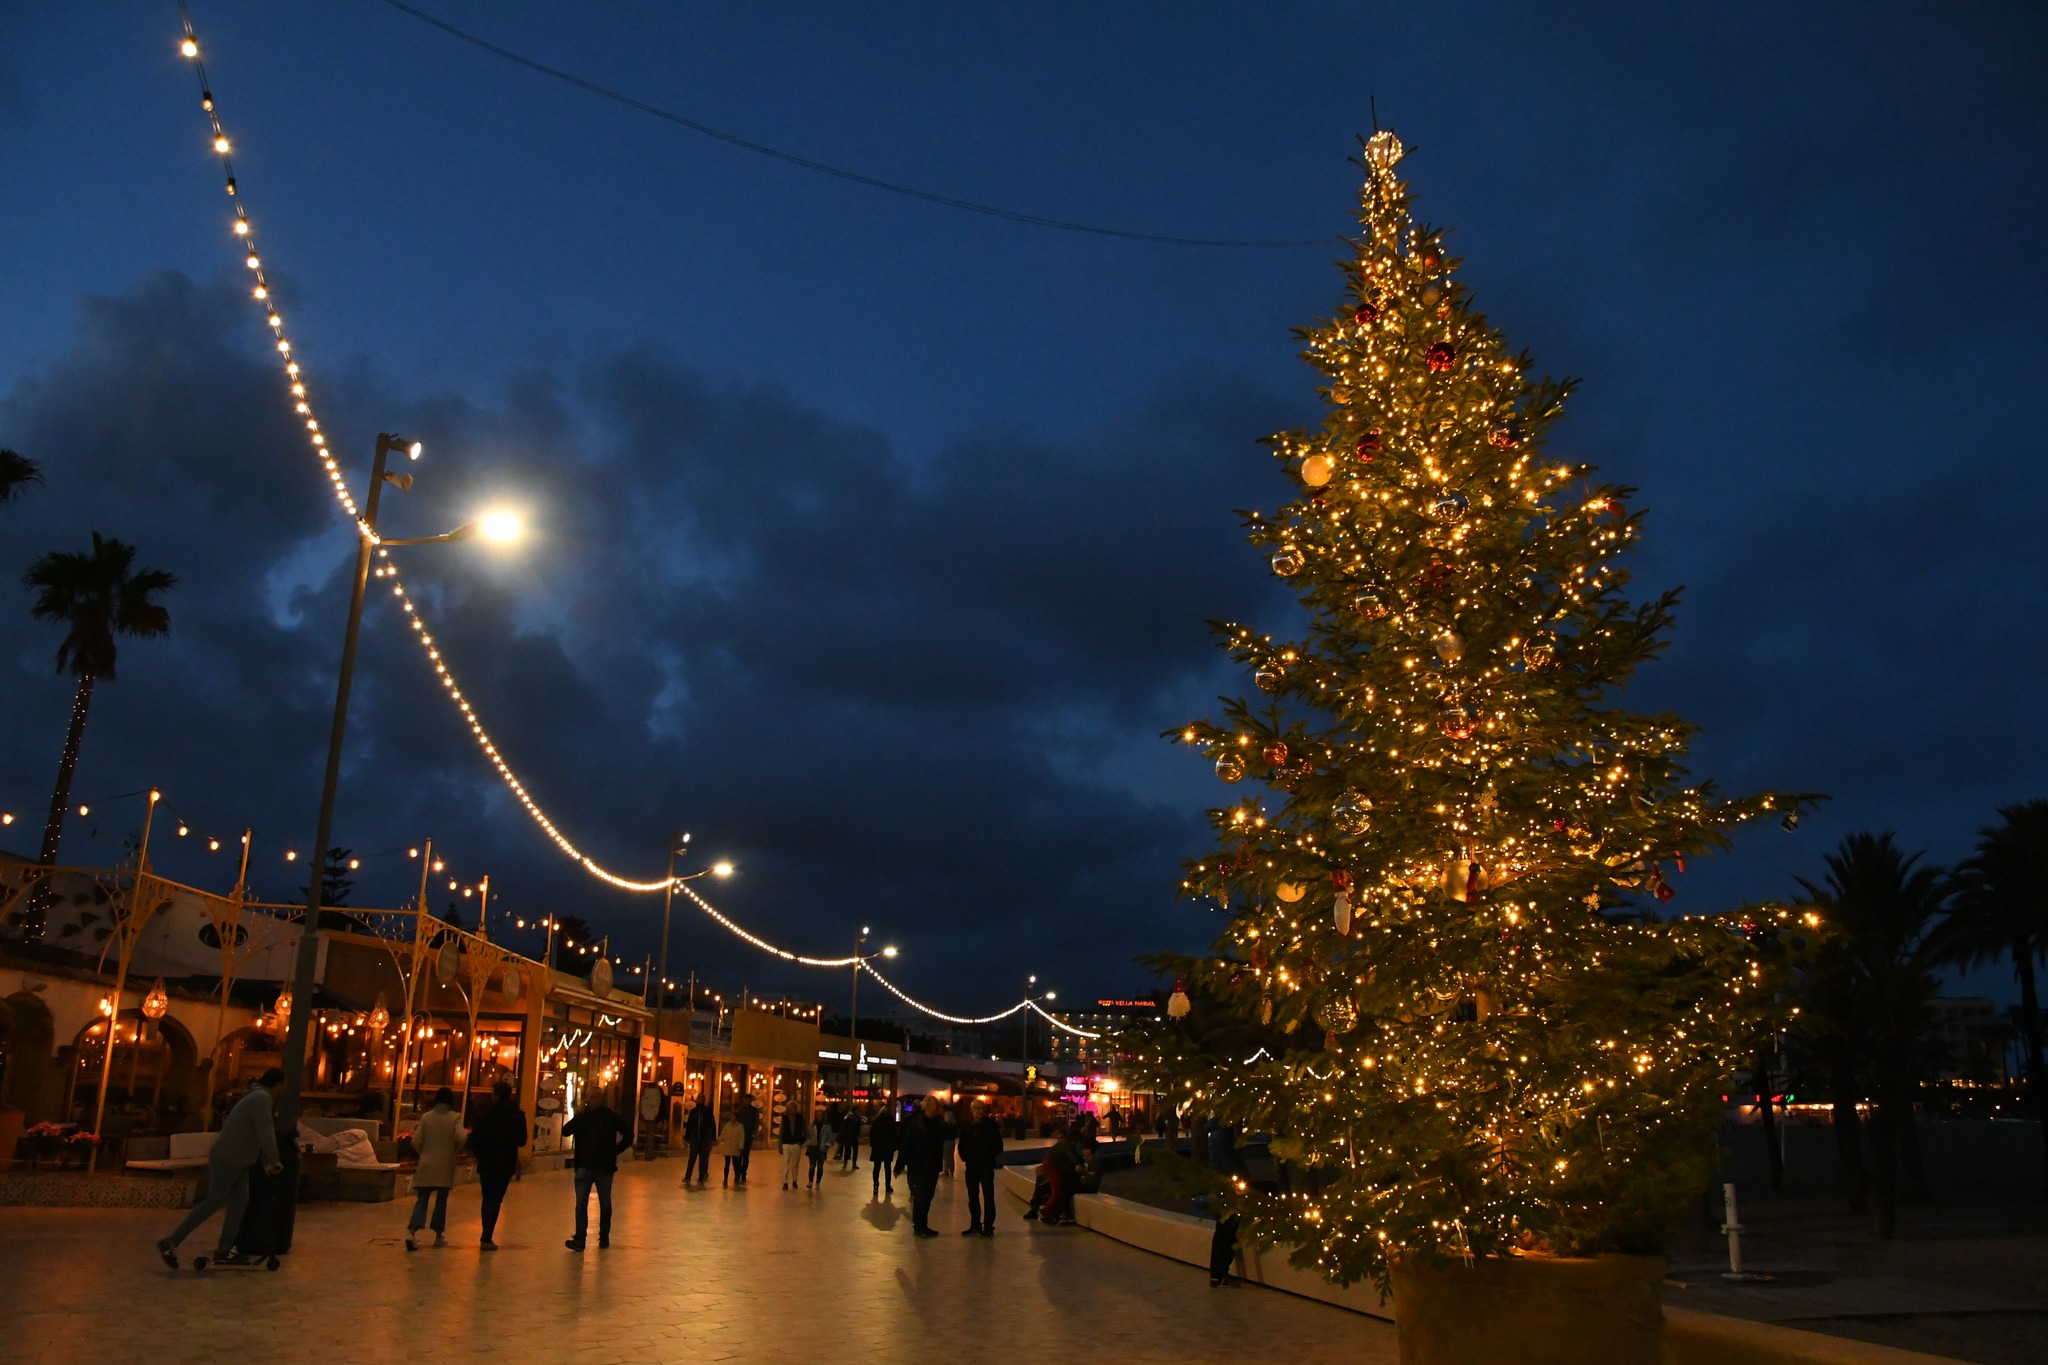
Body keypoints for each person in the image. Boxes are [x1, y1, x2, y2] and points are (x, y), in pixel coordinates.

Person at [156, 1068, 284, 1269]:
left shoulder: (255, 1096)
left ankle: (225, 1250)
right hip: (230, 1157)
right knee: (215, 1200)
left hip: (239, 1158)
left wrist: (266, 1162)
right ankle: (172, 1241)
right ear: (277, 1084)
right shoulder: (262, 1098)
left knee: (240, 1201)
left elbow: (254, 1135)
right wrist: (274, 1160)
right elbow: (265, 1132)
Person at [561, 1093, 628, 1250]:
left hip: (604, 1168)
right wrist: (578, 1114)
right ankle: (580, 1239)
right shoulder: (583, 1116)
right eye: (589, 1097)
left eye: (594, 1097)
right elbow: (566, 1131)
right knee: (581, 1204)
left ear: (600, 1099)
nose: (591, 1100)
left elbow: (627, 1133)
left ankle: (603, 1237)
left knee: (604, 1203)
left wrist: (616, 1150)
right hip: (585, 1166)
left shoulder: (611, 1116)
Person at [467, 1079, 527, 1250]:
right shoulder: (516, 1114)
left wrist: (479, 1154)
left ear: (494, 1094)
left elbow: (474, 1137)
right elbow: (522, 1141)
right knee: (496, 1197)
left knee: (487, 1197)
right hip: (506, 1160)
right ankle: (486, 1236)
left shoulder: (484, 1113)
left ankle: (486, 1234)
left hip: (486, 1160)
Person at [405, 1087, 467, 1251]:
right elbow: (462, 1137)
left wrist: (424, 1153)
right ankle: (438, 1235)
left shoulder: (426, 1117)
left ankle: (412, 1232)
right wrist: (455, 1149)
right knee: (441, 1201)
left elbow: (415, 1141)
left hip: (426, 1162)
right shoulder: (455, 1118)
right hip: (445, 1163)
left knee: (422, 1199)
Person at [894, 1094, 944, 1238]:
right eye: (936, 1104)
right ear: (927, 1106)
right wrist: (899, 1165)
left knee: (928, 1197)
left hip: (932, 1166)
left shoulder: (937, 1122)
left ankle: (923, 1225)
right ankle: (919, 1226)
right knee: (921, 1197)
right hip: (919, 1165)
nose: (938, 1107)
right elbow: (907, 1144)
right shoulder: (917, 1123)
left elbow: (944, 1138)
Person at [957, 1098, 1004, 1237]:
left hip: (986, 1166)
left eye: (982, 1109)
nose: (980, 1112)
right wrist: (966, 1157)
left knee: (989, 1196)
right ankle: (975, 1224)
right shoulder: (967, 1126)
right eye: (977, 1109)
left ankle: (988, 1225)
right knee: (973, 1196)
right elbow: (962, 1145)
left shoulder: (991, 1126)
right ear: (972, 1110)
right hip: (971, 1167)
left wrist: (987, 1156)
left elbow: (998, 1146)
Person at [680, 1094, 716, 1187]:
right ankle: (688, 1176)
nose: (699, 1100)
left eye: (701, 1098)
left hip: (704, 1138)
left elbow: (712, 1125)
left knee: (703, 1159)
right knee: (692, 1158)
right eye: (698, 1098)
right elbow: (689, 1125)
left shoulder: (707, 1111)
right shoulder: (694, 1112)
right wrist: (687, 1138)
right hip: (695, 1138)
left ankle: (701, 1176)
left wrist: (713, 1138)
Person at [867, 1102, 898, 1199]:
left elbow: (871, 1134)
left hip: (878, 1147)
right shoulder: (891, 1122)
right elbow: (894, 1135)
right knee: (887, 1168)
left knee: (876, 1168)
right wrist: (894, 1146)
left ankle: (875, 1186)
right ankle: (887, 1186)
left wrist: (872, 1144)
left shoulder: (876, 1121)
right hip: (888, 1148)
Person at [777, 1100, 809, 1190]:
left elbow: (804, 1129)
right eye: (793, 1107)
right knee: (786, 1163)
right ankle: (785, 1181)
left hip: (796, 1143)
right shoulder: (785, 1118)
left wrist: (802, 1141)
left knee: (795, 1163)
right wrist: (780, 1144)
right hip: (786, 1143)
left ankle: (794, 1180)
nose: (794, 1109)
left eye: (795, 1107)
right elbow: (781, 1131)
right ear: (788, 1109)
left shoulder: (800, 1118)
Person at [804, 1101, 833, 1190]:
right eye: (817, 1115)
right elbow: (808, 1135)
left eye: (820, 1115)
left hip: (822, 1149)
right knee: (812, 1166)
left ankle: (818, 1183)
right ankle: (810, 1181)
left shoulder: (827, 1126)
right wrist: (807, 1143)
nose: (819, 1117)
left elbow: (830, 1138)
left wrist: (827, 1145)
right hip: (813, 1148)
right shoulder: (812, 1126)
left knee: (820, 1167)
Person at [718, 1109, 747, 1187]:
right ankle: (725, 1179)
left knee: (735, 1164)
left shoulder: (740, 1127)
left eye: (733, 1116)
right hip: (727, 1147)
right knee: (727, 1164)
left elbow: (741, 1137)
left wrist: (741, 1146)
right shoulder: (727, 1125)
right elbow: (723, 1134)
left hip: (735, 1148)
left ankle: (737, 1176)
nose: (731, 1118)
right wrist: (719, 1140)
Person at [735, 1093, 760, 1185]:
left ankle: (743, 1173)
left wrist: (754, 1133)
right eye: (746, 1100)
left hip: (749, 1135)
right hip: (740, 1135)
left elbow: (756, 1122)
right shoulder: (739, 1110)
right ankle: (738, 1173)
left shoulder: (754, 1111)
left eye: (748, 1100)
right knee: (738, 1155)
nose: (747, 1102)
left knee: (745, 1156)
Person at [938, 1103, 959, 1179]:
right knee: (950, 1157)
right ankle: (951, 1171)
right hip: (952, 1141)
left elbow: (942, 1133)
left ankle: (945, 1171)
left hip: (946, 1141)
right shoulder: (954, 1125)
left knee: (946, 1157)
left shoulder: (945, 1125)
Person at [838, 1104, 862, 1170]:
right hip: (849, 1136)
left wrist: (859, 1134)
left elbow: (858, 1127)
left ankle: (854, 1163)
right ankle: (845, 1163)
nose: (858, 1112)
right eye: (857, 1111)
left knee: (855, 1151)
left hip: (854, 1136)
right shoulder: (850, 1117)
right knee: (847, 1150)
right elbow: (844, 1123)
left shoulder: (858, 1118)